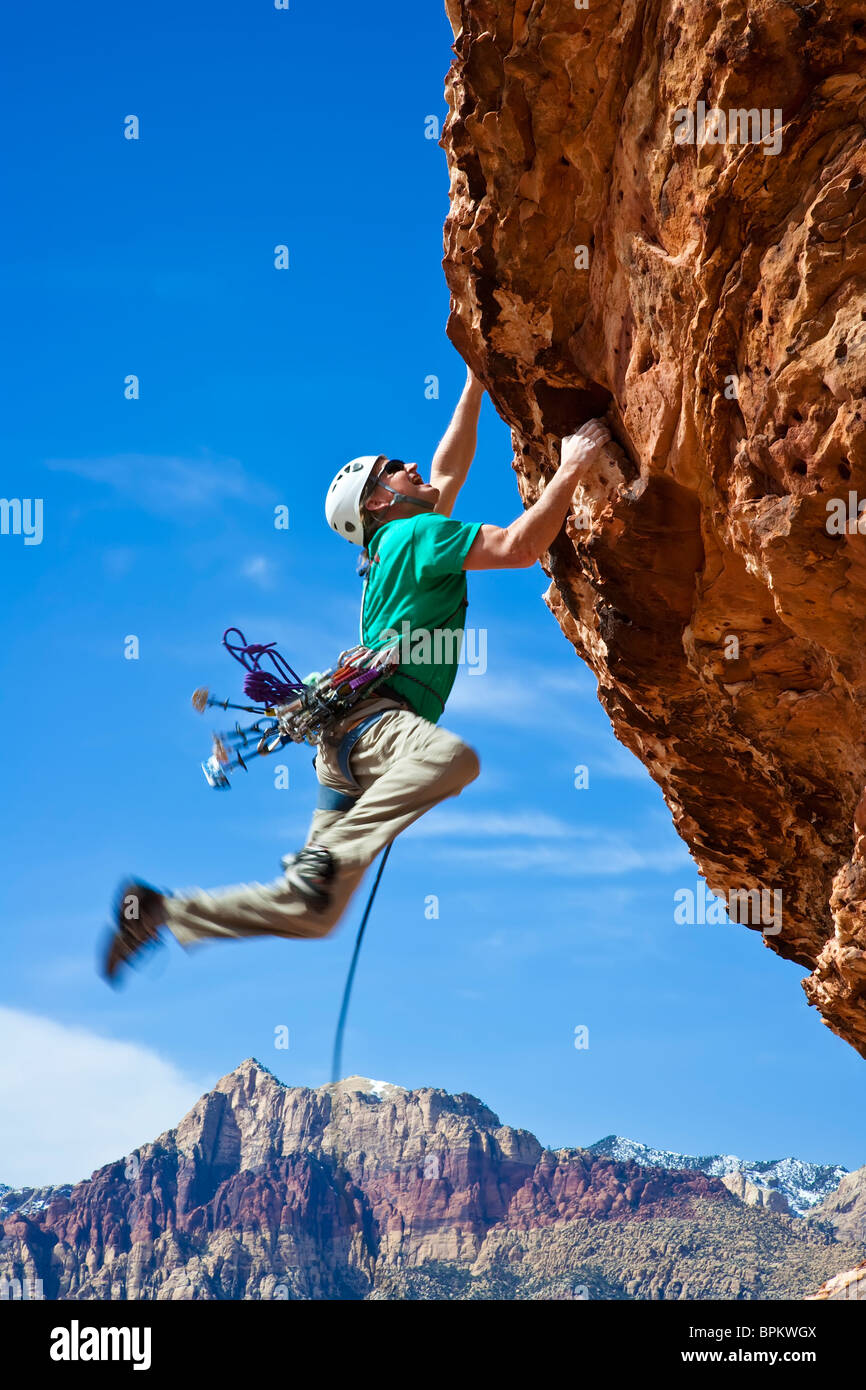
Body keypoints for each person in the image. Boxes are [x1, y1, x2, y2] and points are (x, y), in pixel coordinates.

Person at [102, 368, 611, 980]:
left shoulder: (397, 543)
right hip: (378, 730)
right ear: (378, 500)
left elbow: (447, 469)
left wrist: (476, 382)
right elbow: (519, 547)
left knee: (313, 912)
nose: (415, 469)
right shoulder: (418, 534)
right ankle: (331, 856)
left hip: (341, 747)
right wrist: (572, 467)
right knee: (455, 761)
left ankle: (162, 913)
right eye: (398, 468)